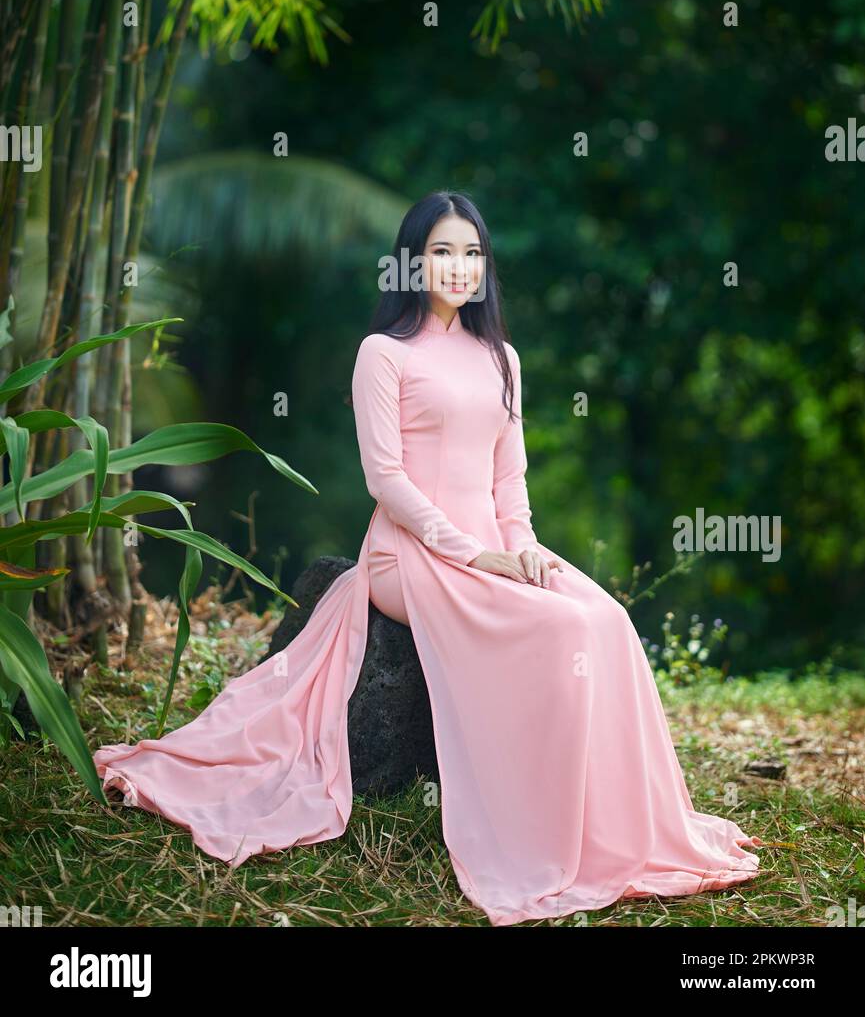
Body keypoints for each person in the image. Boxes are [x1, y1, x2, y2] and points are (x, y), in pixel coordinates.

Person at [93, 189, 761, 926]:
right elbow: (387, 481)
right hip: (407, 554)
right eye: (442, 251)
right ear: (412, 263)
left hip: (493, 545)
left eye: (471, 253)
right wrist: (474, 555)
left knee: (603, 623)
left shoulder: (500, 357)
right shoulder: (383, 354)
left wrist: (526, 552)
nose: (458, 266)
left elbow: (510, 483)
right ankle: (540, 838)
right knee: (558, 633)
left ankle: (623, 830)